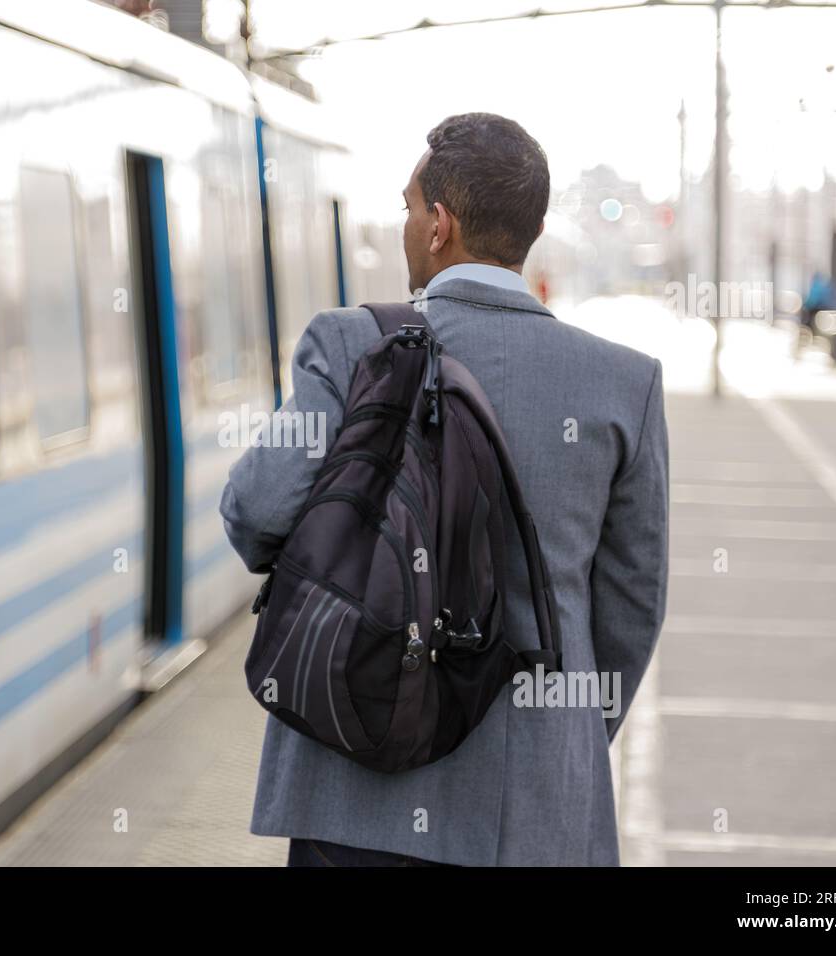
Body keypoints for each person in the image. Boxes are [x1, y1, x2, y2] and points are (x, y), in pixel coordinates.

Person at [220, 113, 669, 867]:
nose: (403, 226)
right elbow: (631, 608)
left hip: (354, 791)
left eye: (407, 208)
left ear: (439, 226)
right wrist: (560, 741)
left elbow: (257, 514)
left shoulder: (351, 345)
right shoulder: (625, 384)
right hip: (535, 817)